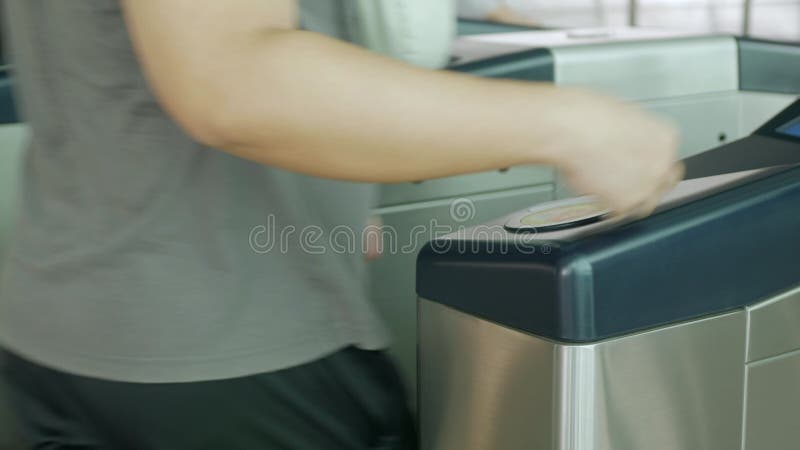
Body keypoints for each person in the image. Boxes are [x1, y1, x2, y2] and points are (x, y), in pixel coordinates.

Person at [0, 1, 683, 449]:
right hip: (224, 362)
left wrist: (323, 196)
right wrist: (573, 125)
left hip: (60, 328)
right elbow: (229, 82)